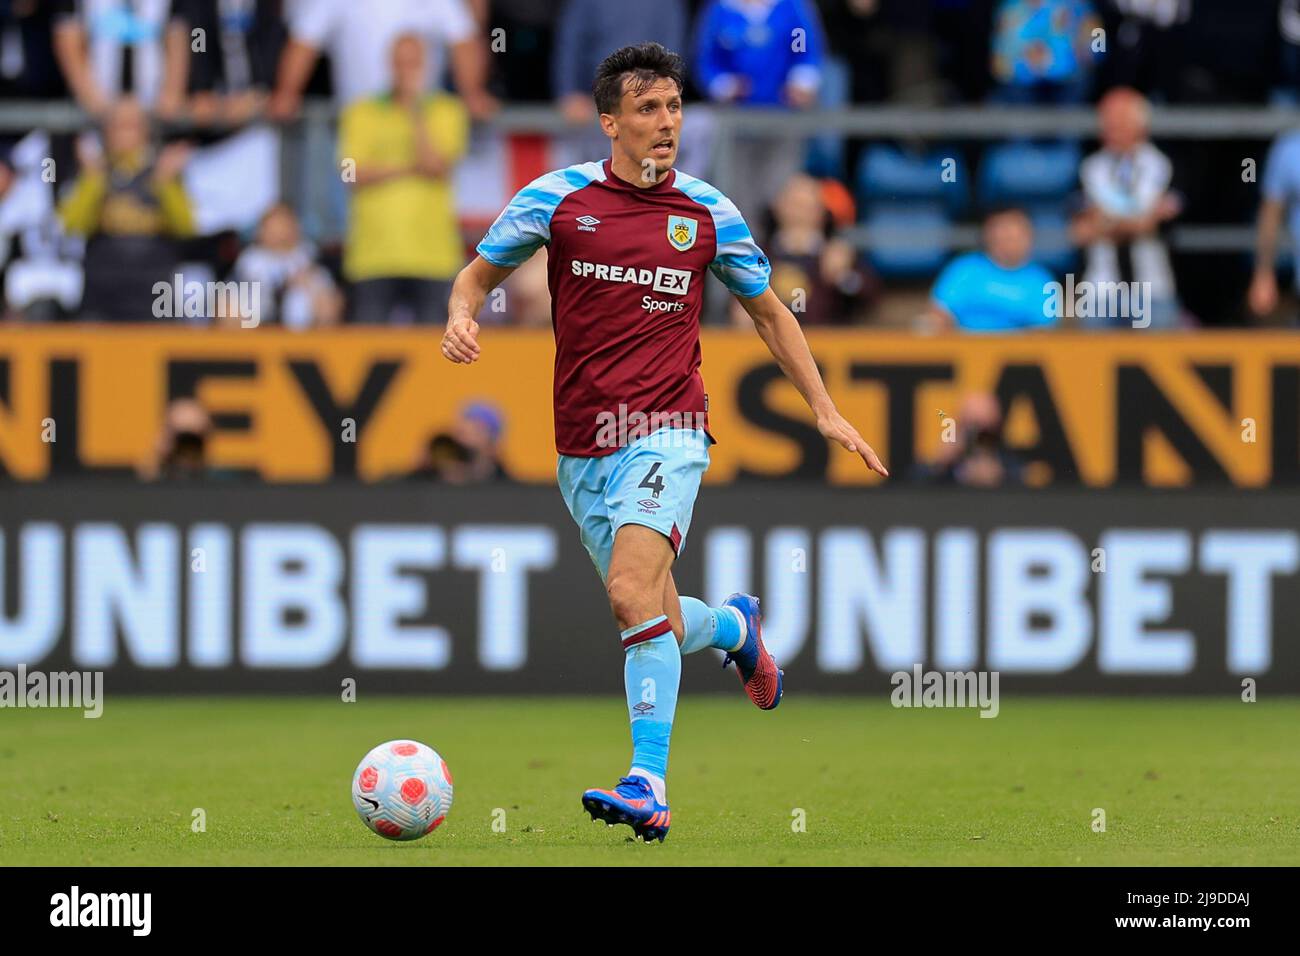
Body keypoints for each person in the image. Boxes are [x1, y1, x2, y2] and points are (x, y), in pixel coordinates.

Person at [442, 42, 887, 843]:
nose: (665, 123)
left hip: (669, 430)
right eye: (647, 109)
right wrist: (461, 315)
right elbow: (477, 274)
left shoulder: (707, 213)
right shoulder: (556, 201)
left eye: (675, 108)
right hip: (583, 444)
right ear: (609, 121)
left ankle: (647, 781)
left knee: (626, 595)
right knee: (653, 612)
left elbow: (770, 313)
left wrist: (823, 407)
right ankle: (735, 630)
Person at [339, 33, 467, 324]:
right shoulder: (361, 111)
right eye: (401, 63)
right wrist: (409, 168)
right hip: (372, 255)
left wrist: (415, 110)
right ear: (389, 65)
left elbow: (435, 166)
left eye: (414, 63)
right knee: (367, 348)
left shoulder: (448, 111)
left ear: (427, 66)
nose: (406, 71)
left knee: (437, 354)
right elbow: (351, 172)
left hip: (432, 255)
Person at [1071, 86, 1181, 328]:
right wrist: (1138, 218)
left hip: (1153, 288)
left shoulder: (1164, 166)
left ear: (1141, 125)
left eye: (1119, 120)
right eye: (1106, 120)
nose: (1110, 128)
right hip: (1101, 290)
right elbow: (1080, 232)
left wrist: (1106, 220)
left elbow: (1153, 225)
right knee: (1093, 363)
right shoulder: (1089, 167)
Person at [923, 206, 1057, 331]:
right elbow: (939, 313)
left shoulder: (1042, 280)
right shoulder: (964, 270)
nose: (1009, 242)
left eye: (1015, 236)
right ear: (988, 236)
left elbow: (1043, 331)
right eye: (1003, 234)